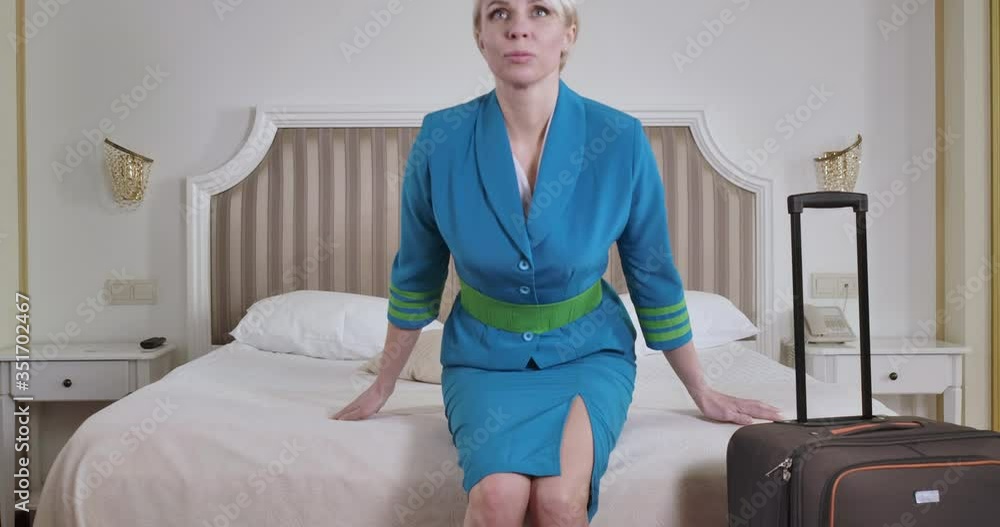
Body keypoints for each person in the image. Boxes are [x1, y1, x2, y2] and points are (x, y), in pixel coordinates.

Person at [333, 1, 784, 525]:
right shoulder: (440, 138)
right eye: (499, 12)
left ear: (569, 34)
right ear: (480, 36)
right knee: (497, 501)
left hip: (587, 355)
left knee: (558, 503)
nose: (519, 25)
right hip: (483, 359)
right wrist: (383, 386)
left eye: (540, 11)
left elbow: (653, 275)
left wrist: (701, 390)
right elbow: (416, 274)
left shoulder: (619, 139)